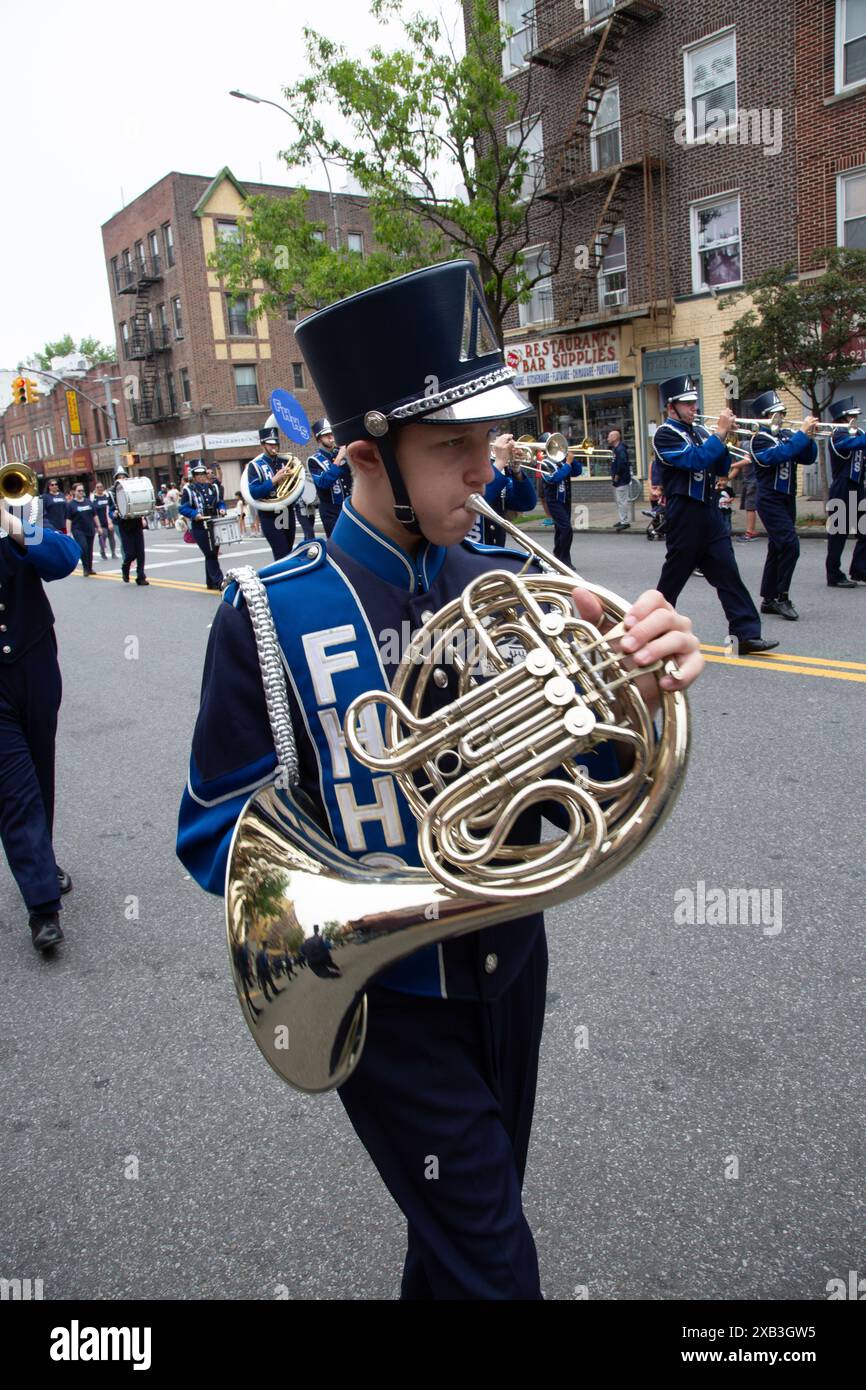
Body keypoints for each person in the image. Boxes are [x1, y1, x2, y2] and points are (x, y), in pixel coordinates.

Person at [176, 260, 704, 1300]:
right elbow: (211, 831)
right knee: (497, 1264)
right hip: (392, 1003)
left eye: (489, 442)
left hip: (512, 966)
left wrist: (635, 688)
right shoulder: (268, 615)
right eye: (454, 449)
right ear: (369, 457)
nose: (485, 471)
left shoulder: (506, 588)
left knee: (464, 1227)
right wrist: (366, 890)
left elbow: (589, 772)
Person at [1, 497, 80, 951]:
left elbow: (62, 560)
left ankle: (40, 859)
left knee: (39, 772)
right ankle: (42, 909)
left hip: (34, 666)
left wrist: (10, 523)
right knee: (16, 791)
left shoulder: (21, 511)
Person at [653, 377, 778, 656]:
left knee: (728, 573)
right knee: (673, 579)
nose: (693, 407)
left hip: (708, 510)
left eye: (694, 402)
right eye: (686, 403)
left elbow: (719, 466)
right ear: (671, 407)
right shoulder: (665, 434)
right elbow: (694, 461)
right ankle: (650, 629)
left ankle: (745, 634)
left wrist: (725, 438)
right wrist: (718, 435)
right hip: (684, 512)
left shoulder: (698, 430)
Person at [749, 391, 817, 620]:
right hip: (770, 498)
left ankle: (768, 599)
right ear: (765, 417)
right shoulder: (758, 439)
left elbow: (806, 458)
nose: (781, 418)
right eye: (776, 415)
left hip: (787, 497)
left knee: (777, 548)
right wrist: (801, 436)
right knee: (790, 546)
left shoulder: (788, 435)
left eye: (782, 414)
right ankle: (781, 596)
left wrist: (810, 438)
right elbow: (777, 456)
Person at [825, 397, 866, 588]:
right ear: (843, 418)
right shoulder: (838, 436)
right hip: (842, 487)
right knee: (839, 534)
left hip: (857, 485)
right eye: (852, 416)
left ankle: (860, 569)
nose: (855, 419)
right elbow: (850, 446)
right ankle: (833, 574)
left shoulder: (858, 433)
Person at [467, 434, 537, 546]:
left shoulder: (496, 471)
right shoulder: (461, 471)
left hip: (496, 550)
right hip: (473, 549)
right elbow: (476, 500)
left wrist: (516, 471)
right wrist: (500, 462)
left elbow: (526, 503)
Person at [244, 425, 296, 560]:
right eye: (270, 444)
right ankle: (283, 580)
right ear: (262, 444)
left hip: (285, 511)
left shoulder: (285, 461)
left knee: (288, 550)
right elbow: (254, 492)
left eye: (276, 444)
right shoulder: (255, 466)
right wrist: (274, 481)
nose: (275, 447)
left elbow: (296, 485)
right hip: (269, 515)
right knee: (281, 552)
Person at [180, 461, 225, 591]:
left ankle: (210, 582)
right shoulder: (189, 490)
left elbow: (219, 502)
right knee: (210, 553)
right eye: (198, 474)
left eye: (203, 473)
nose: (201, 476)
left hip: (214, 522)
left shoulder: (213, 488)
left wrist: (222, 509)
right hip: (199, 525)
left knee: (213, 553)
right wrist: (194, 514)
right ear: (194, 476)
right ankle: (219, 580)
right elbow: (183, 508)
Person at [541, 434, 584, 565]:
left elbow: (577, 472)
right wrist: (568, 464)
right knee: (566, 529)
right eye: (552, 444)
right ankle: (564, 560)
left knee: (560, 529)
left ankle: (558, 556)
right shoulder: (544, 463)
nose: (556, 446)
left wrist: (572, 459)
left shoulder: (562, 460)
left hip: (566, 499)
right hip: (554, 501)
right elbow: (554, 478)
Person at [307, 419, 352, 535]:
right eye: (326, 435)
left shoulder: (340, 453)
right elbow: (323, 483)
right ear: (319, 438)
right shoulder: (314, 460)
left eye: (332, 434)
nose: (331, 437)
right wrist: (338, 459)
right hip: (331, 511)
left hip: (349, 506)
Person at [109, 463, 149, 586]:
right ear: (116, 480)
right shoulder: (112, 493)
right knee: (130, 552)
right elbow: (110, 510)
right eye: (119, 477)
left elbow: (140, 503)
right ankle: (125, 568)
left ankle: (140, 576)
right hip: (123, 524)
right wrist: (113, 514)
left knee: (140, 552)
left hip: (135, 521)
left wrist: (143, 517)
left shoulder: (133, 489)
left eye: (124, 477)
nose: (122, 479)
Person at [65, 482, 99, 576]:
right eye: (79, 491)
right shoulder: (71, 504)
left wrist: (98, 527)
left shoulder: (88, 502)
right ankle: (85, 568)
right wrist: (68, 532)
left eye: (82, 490)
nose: (81, 492)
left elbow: (95, 515)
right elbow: (68, 519)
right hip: (78, 530)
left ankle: (90, 567)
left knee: (90, 549)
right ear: (73, 492)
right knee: (83, 547)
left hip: (90, 528)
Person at [609, 428, 631, 531]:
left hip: (621, 480)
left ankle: (624, 522)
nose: (608, 438)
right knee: (619, 501)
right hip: (618, 480)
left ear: (615, 438)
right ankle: (622, 519)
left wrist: (617, 475)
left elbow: (622, 463)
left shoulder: (620, 449)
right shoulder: (616, 449)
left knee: (622, 501)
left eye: (610, 436)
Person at [91, 481, 117, 560]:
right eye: (98, 487)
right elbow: (92, 512)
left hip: (109, 521)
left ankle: (113, 553)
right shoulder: (93, 498)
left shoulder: (107, 496)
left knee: (111, 537)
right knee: (103, 535)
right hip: (100, 522)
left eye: (101, 487)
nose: (99, 488)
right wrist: (95, 525)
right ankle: (102, 551)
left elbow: (111, 507)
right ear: (95, 489)